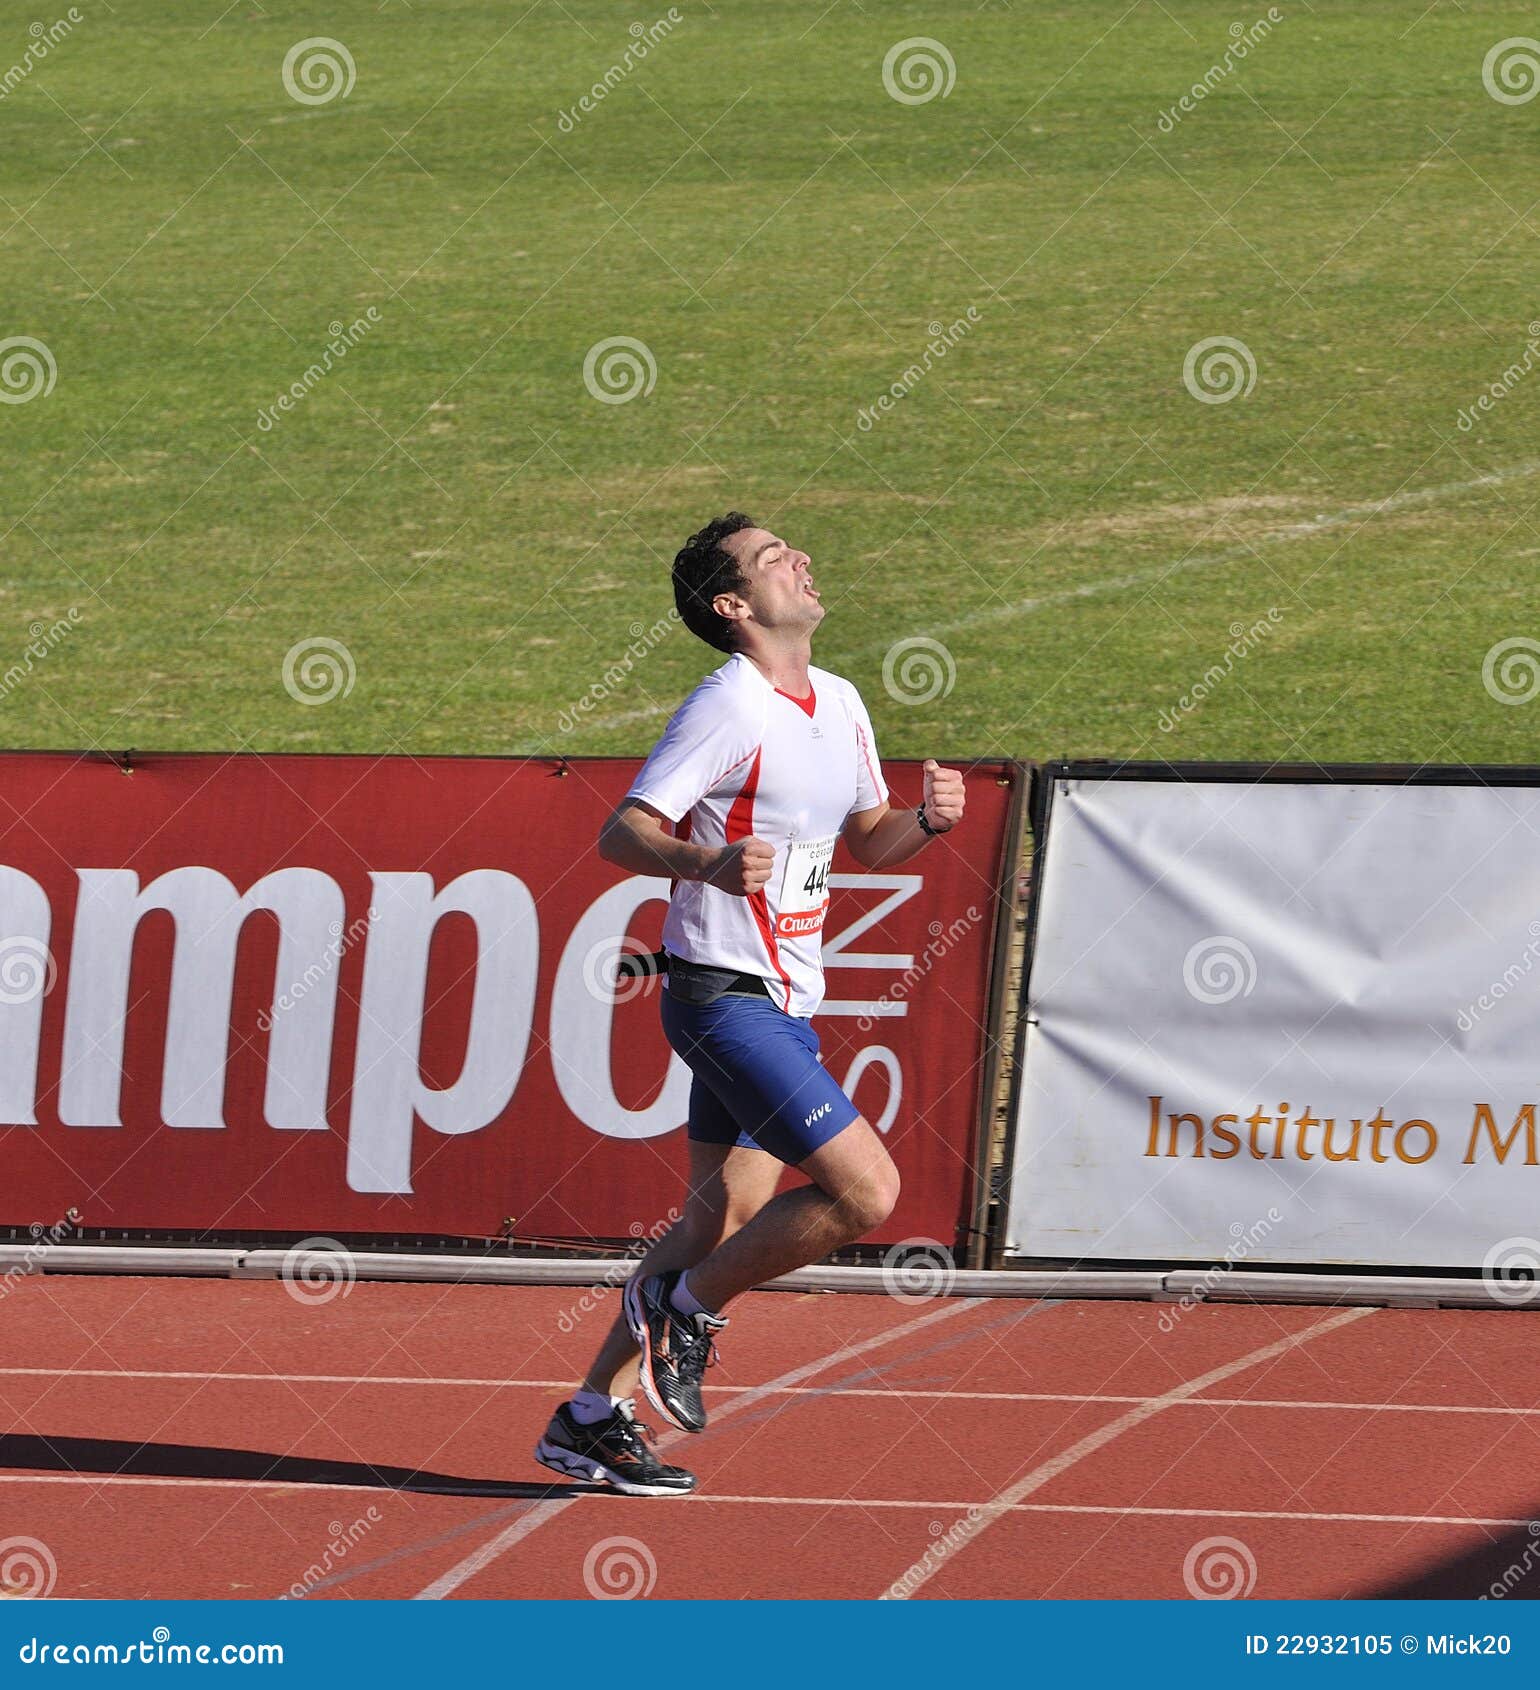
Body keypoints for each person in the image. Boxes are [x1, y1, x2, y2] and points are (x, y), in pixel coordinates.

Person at [534, 513, 965, 1496]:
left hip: (784, 996)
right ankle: (689, 1310)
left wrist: (926, 823)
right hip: (720, 994)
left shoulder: (841, 701)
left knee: (719, 1217)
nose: (800, 558)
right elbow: (622, 832)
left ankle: (589, 1416)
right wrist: (706, 864)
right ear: (733, 606)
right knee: (866, 1193)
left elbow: (869, 840)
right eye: (772, 557)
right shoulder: (729, 704)